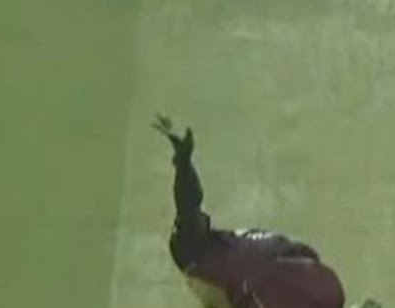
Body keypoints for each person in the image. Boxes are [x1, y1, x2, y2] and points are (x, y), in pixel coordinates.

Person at [153, 115, 377, 308]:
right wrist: (183, 164)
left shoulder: (194, 256)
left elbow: (188, 206)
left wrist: (183, 164)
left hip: (282, 273)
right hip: (292, 267)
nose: (192, 288)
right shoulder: (219, 252)